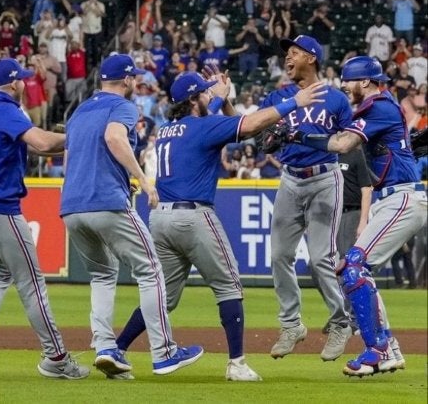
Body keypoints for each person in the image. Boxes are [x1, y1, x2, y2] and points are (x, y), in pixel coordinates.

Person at [120, 70, 327, 381]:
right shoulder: (202, 126)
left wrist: (218, 96)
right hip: (193, 216)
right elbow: (252, 124)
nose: (208, 95)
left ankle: (117, 349)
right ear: (193, 99)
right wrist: (293, 103)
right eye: (203, 92)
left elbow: (206, 117)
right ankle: (237, 363)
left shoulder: (167, 129)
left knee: (161, 296)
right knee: (229, 286)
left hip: (160, 219)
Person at [61, 54, 206, 380]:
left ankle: (105, 348)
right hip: (106, 202)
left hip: (71, 206)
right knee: (152, 270)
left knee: (102, 274)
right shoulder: (123, 106)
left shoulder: (79, 110)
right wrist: (141, 177)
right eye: (133, 77)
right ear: (126, 80)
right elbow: (114, 137)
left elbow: (69, 158)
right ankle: (165, 352)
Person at [285, 55, 425, 375]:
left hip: (402, 198)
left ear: (365, 82)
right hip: (392, 198)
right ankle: (388, 348)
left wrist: (300, 136)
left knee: (354, 267)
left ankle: (376, 350)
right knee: (349, 268)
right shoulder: (378, 107)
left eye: (348, 80)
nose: (344, 85)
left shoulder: (379, 107)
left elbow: (343, 142)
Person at [0, 57, 90, 380]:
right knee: (33, 286)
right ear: (12, 83)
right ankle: (56, 357)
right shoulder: (4, 109)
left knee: (0, 274)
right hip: (2, 210)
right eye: (22, 80)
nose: (26, 84)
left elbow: (39, 148)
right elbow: (41, 143)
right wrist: (78, 135)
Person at [261, 34, 354, 361]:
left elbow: (347, 139)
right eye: (287, 53)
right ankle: (291, 325)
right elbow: (259, 130)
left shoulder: (335, 98)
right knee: (278, 255)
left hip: (324, 179)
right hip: (289, 180)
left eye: (295, 52)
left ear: (312, 58)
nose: (288, 57)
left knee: (320, 258)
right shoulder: (279, 96)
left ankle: (342, 321)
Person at [81, 0, 106, 66]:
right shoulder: (84, 4)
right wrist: (89, 5)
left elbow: (100, 14)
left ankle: (95, 64)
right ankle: (86, 65)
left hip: (96, 30)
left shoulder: (100, 5)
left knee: (95, 48)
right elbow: (83, 12)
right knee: (86, 50)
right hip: (86, 30)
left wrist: (95, 6)